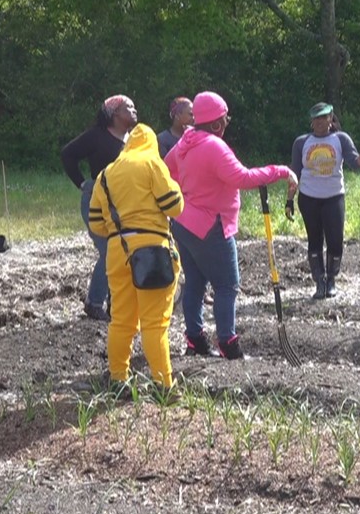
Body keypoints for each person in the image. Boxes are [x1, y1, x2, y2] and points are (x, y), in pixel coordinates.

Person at [165, 91, 297, 359]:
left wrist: (189, 191)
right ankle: (228, 344)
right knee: (227, 285)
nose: (227, 124)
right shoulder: (213, 145)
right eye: (225, 119)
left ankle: (195, 341)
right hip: (210, 226)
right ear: (216, 123)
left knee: (195, 283)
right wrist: (281, 171)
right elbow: (243, 178)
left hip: (183, 222)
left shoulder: (184, 142)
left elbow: (167, 172)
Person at [88, 124, 183, 391]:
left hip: (118, 252)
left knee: (121, 320)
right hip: (153, 250)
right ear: (151, 144)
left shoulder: (105, 174)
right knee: (154, 323)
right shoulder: (152, 163)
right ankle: (164, 385)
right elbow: (175, 206)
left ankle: (119, 380)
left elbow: (96, 223)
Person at [287, 102, 360, 299]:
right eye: (316, 118)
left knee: (335, 241)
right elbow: (294, 174)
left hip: (334, 197)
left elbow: (357, 163)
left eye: (324, 118)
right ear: (311, 122)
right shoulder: (301, 143)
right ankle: (319, 281)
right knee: (314, 240)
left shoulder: (341, 139)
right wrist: (289, 201)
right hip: (309, 198)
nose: (320, 122)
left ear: (331, 119)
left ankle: (331, 280)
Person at [61, 95, 138, 322]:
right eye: (129, 107)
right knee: (110, 251)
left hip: (123, 203)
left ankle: (116, 304)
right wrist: (83, 183)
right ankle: (94, 303)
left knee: (123, 249)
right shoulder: (97, 136)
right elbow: (68, 154)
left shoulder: (133, 139)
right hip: (97, 200)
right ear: (114, 114)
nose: (134, 110)